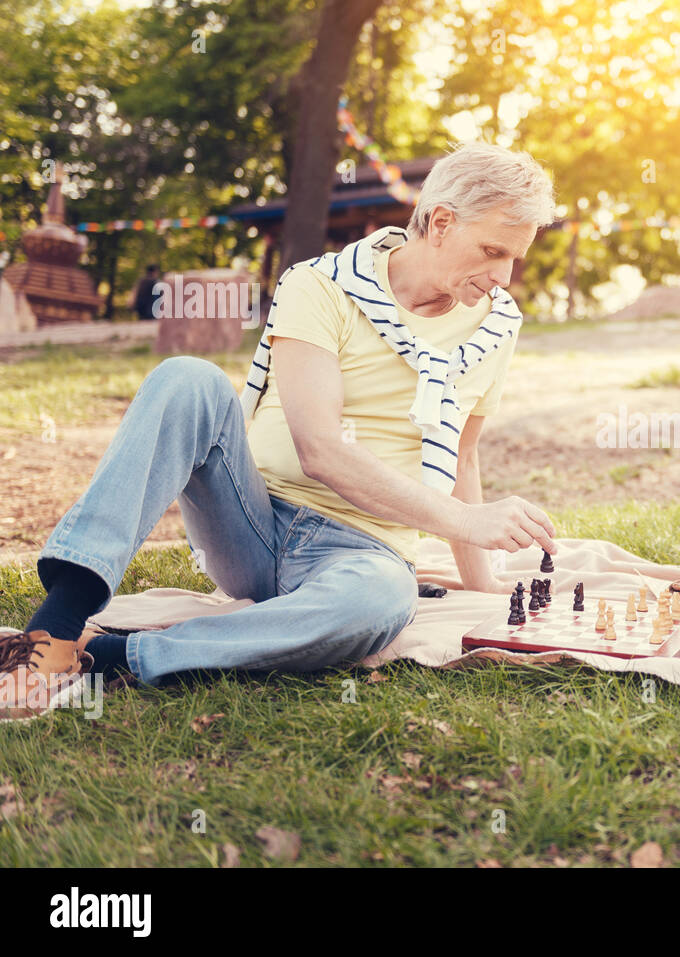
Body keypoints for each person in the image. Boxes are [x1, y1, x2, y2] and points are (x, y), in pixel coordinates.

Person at [2, 143, 559, 720]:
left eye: (513, 258)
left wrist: (484, 580)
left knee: (381, 601)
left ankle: (113, 654)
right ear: (441, 222)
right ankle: (53, 630)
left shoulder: (496, 327)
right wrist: (465, 519)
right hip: (252, 522)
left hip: (364, 555)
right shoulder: (320, 285)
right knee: (188, 379)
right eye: (493, 251)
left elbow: (462, 457)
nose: (502, 277)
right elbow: (319, 448)